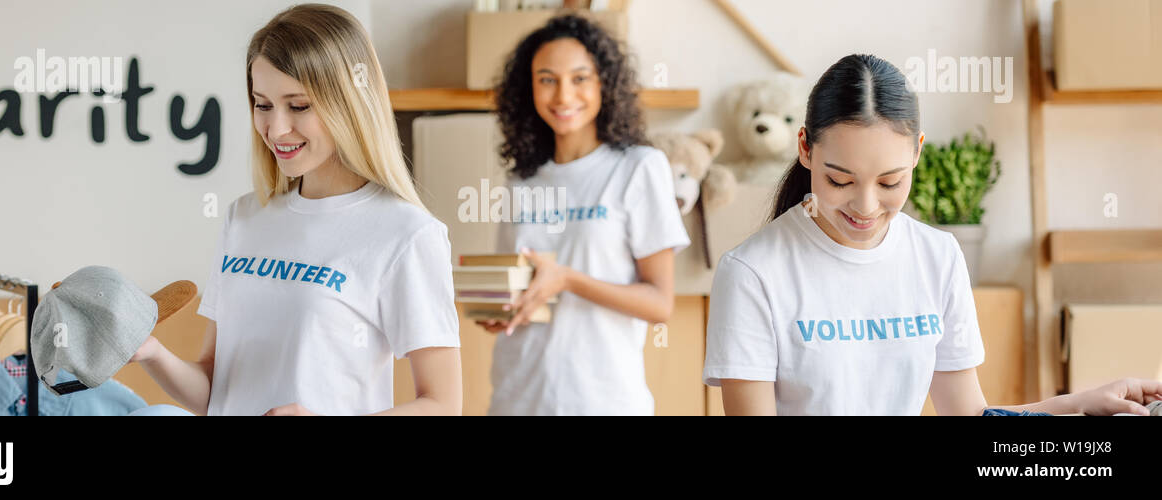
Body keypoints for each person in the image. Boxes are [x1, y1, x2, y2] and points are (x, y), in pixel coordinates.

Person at [703, 53, 1162, 416]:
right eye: (840, 180)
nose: (865, 206)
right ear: (805, 148)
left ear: (917, 152)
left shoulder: (937, 255)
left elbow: (967, 414)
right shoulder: (752, 273)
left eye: (889, 182)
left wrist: (1080, 404)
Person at [129, 4, 462, 416]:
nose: (276, 128)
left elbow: (443, 404)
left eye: (299, 106)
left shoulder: (406, 233)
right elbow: (215, 394)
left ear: (349, 103)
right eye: (262, 104)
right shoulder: (244, 218)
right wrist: (150, 352)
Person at [480, 15, 689, 415]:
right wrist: (501, 308)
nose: (562, 96)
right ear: (529, 88)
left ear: (604, 84)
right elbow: (524, 284)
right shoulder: (521, 181)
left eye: (579, 78)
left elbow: (659, 304)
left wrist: (568, 279)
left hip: (602, 399)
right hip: (517, 396)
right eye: (546, 79)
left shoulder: (638, 167)